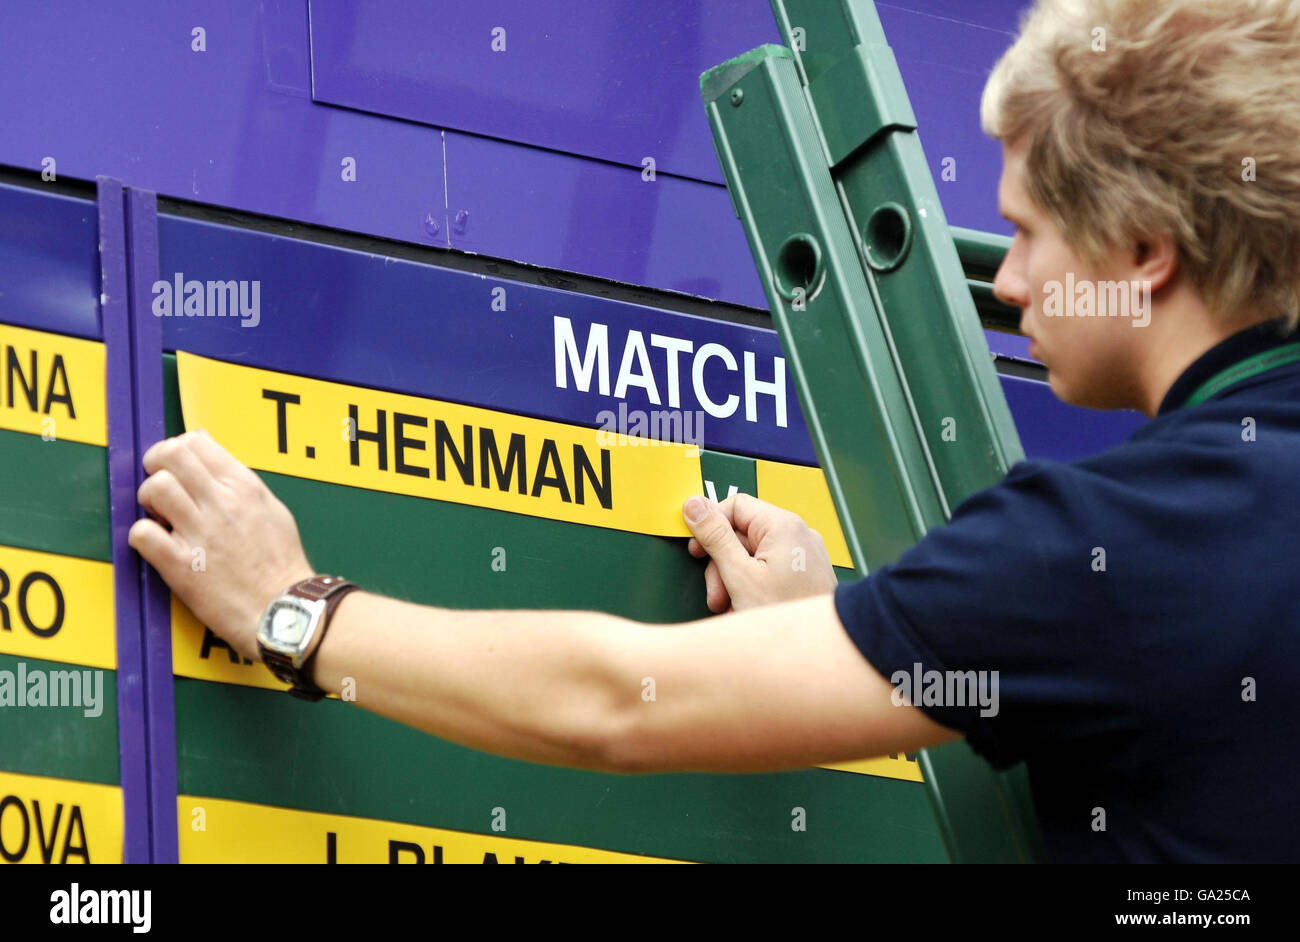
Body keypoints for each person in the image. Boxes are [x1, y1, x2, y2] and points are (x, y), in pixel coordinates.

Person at [129, 0, 1300, 862]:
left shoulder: (1122, 542)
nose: (1008, 285)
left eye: (1030, 232)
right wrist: (836, 635)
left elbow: (613, 699)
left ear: (1145, 249)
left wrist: (299, 610)